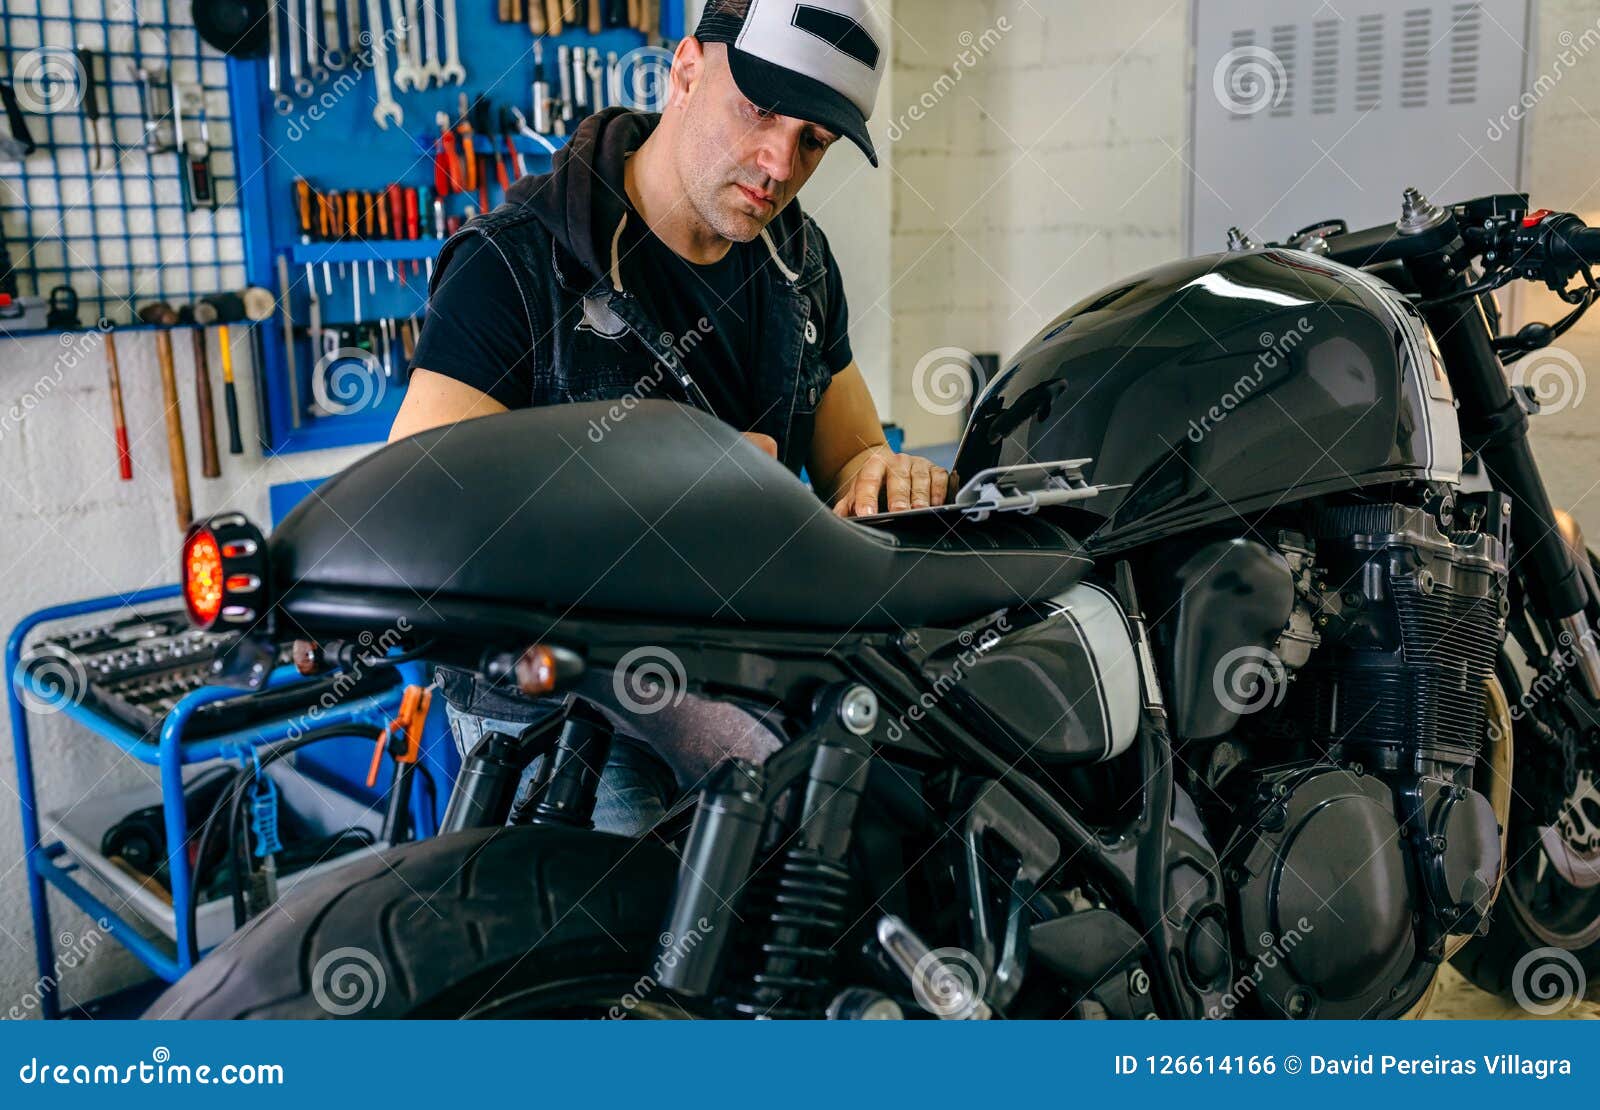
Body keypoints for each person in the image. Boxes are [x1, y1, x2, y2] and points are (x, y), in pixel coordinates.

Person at [390, 0, 945, 832]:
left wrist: (877, 470)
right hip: (559, 701)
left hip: (739, 666)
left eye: (813, 142)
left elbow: (850, 454)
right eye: (759, 110)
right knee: (632, 923)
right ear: (685, 69)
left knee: (893, 823)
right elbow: (421, 522)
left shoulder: (799, 263)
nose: (777, 165)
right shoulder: (513, 267)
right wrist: (663, 482)